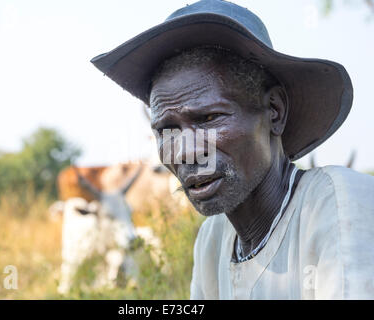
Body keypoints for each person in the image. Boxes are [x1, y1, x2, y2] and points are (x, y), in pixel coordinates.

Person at [91, 0, 374, 299]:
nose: (185, 152)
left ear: (274, 111)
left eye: (209, 118)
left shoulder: (339, 204)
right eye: (166, 130)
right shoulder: (214, 241)